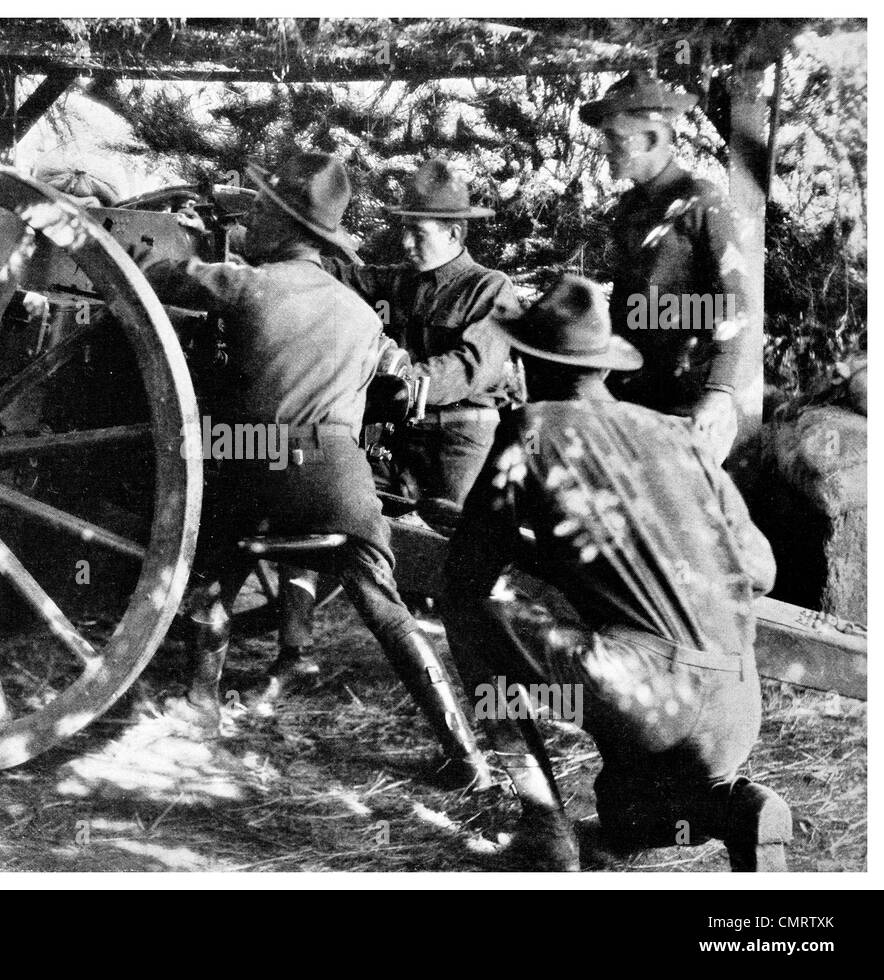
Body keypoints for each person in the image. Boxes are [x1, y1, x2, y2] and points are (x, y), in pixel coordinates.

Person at [129, 152, 491, 789]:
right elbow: (395, 382)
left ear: (280, 226)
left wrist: (120, 242)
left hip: (254, 457)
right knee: (384, 607)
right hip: (339, 478)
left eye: (259, 216)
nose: (248, 228)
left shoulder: (248, 284)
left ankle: (201, 704)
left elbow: (164, 272)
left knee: (210, 568)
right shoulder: (361, 314)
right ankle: (465, 754)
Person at [440, 273, 791, 870]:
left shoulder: (531, 427)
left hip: (639, 690)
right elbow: (760, 571)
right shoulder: (683, 437)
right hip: (735, 705)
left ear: (527, 364)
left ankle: (544, 824)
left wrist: (484, 529)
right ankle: (735, 808)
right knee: (625, 818)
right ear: (605, 368)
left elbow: (471, 568)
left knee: (466, 609)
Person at [322, 157, 523, 526]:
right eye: (404, 229)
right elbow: (343, 275)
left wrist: (403, 381)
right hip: (401, 434)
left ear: (454, 235)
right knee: (355, 516)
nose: (405, 242)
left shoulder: (489, 288)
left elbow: (471, 367)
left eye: (418, 232)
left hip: (460, 436)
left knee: (445, 542)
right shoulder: (403, 279)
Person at [580, 70, 761, 462]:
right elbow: (627, 305)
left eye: (614, 137)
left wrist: (718, 393)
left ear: (651, 139)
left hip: (690, 404)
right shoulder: (629, 209)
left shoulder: (703, 203)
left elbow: (736, 303)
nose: (604, 148)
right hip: (635, 394)